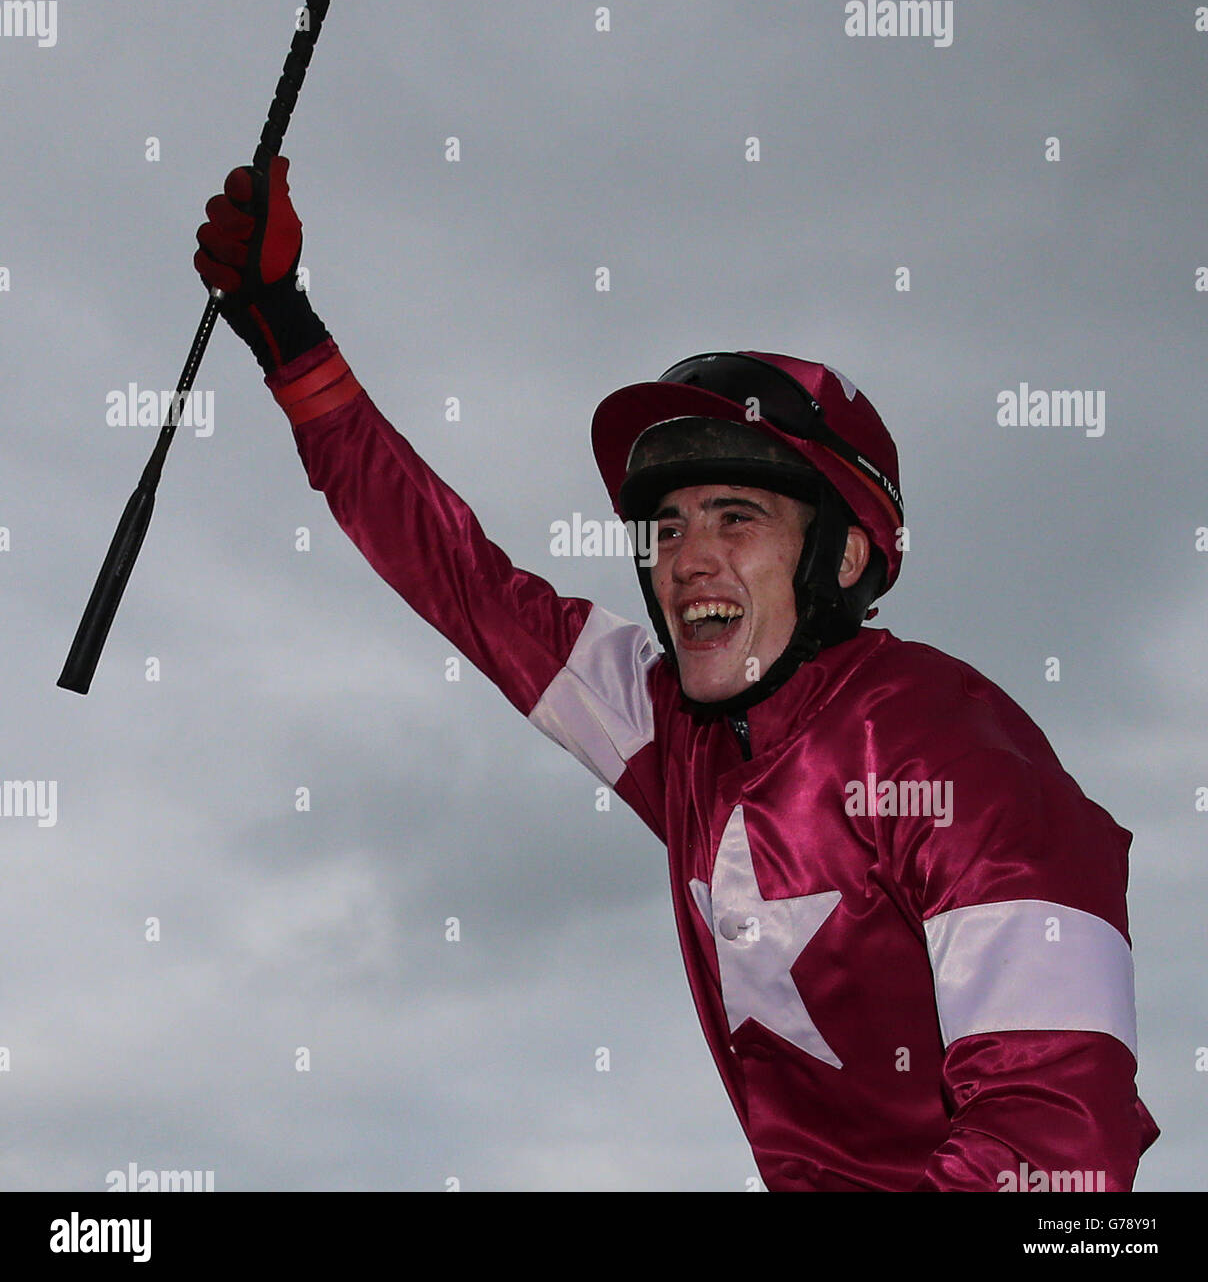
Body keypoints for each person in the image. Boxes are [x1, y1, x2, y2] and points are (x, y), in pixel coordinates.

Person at [195, 157, 1159, 1192]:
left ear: (841, 557)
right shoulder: (682, 733)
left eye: (734, 517)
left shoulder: (958, 753)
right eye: (665, 524)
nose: (684, 557)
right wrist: (291, 339)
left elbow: (1061, 1148)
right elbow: (462, 583)